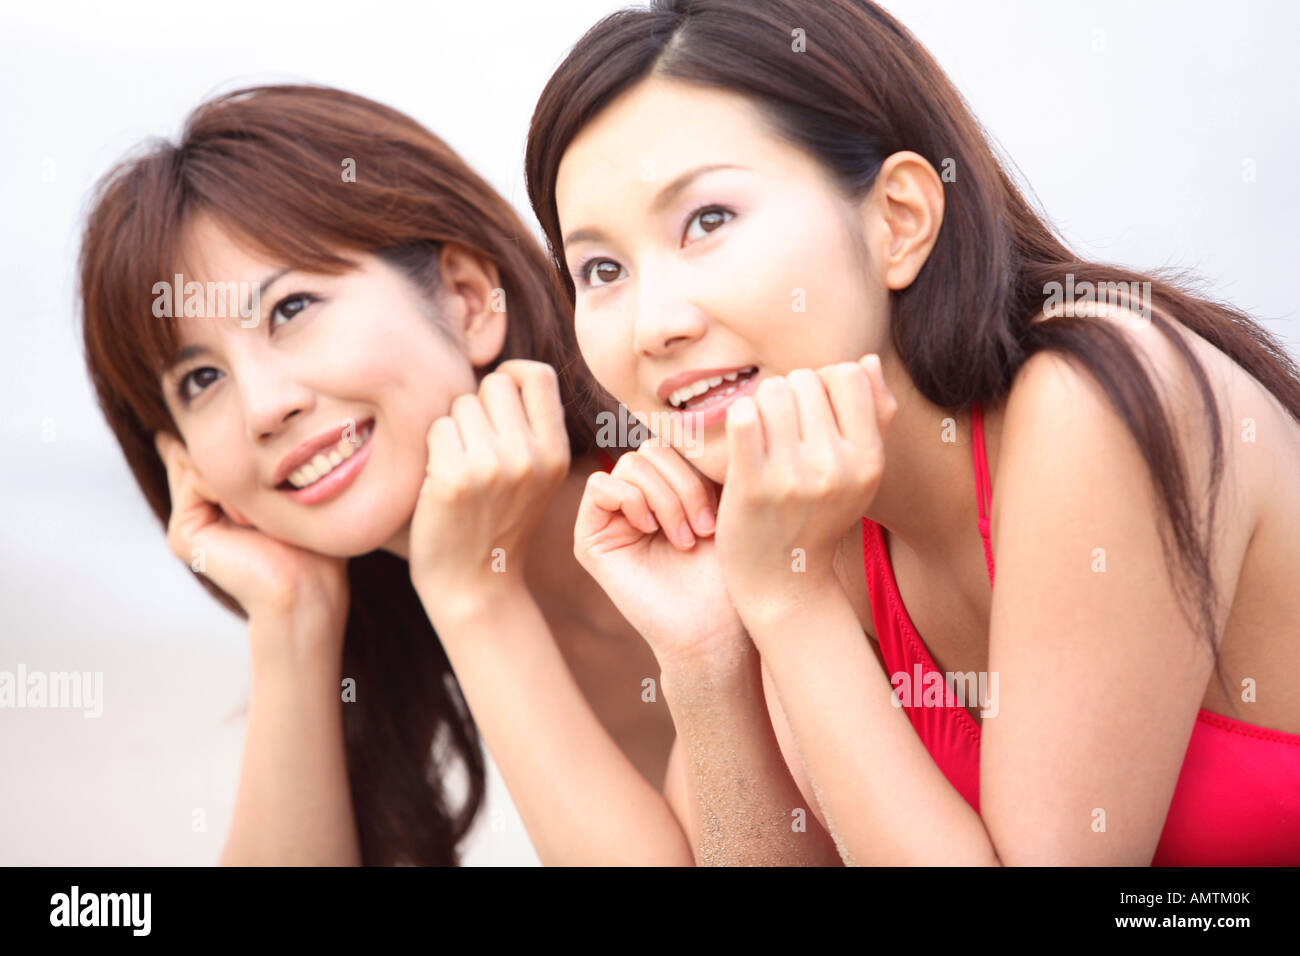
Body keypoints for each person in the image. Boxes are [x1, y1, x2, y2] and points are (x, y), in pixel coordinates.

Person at [523, 0, 1300, 864]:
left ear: (898, 219)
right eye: (602, 269)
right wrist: (708, 660)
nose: (654, 325)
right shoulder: (794, 508)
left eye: (708, 221)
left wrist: (789, 599)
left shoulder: (1092, 400)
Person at [77, 84, 681, 865]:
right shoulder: (402, 626)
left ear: (467, 300)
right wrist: (292, 620)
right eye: (201, 380)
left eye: (290, 310)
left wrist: (477, 595)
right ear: (183, 456)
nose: (263, 407)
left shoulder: (716, 492)